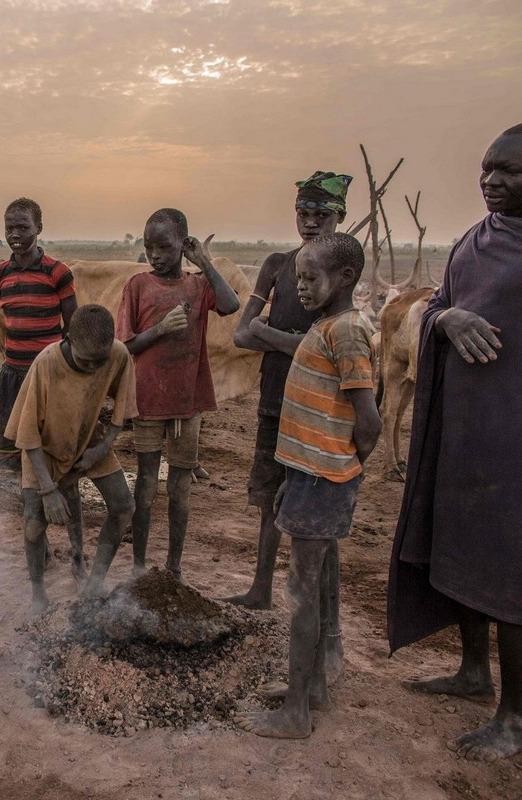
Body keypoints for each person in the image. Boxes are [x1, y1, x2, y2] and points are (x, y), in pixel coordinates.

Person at [388, 120, 522, 761]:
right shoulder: (474, 239)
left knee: (511, 568)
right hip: (464, 435)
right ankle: (473, 673)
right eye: (486, 168)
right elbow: (439, 306)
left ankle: (516, 715)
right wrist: (448, 319)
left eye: (511, 172)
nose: (492, 181)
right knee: (463, 550)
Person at [236, 232, 380, 739]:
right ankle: (313, 688)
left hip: (323, 480)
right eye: (297, 276)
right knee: (311, 588)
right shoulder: (327, 326)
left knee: (301, 595)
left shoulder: (345, 333)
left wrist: (339, 471)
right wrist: (300, 475)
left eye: (310, 277)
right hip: (308, 476)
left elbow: (369, 422)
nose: (300, 286)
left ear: (345, 279)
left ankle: (295, 713)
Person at [224, 171, 352, 683]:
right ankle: (259, 590)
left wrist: (272, 334)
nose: (311, 220)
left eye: (321, 213)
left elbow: (318, 347)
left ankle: (331, 631)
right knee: (268, 502)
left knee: (320, 525)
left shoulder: (340, 269)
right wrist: (289, 339)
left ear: (339, 216)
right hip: (276, 403)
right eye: (304, 211)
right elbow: (239, 335)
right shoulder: (279, 267)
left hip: (320, 412)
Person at [116, 208, 239, 581]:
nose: (155, 255)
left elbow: (231, 305)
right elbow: (125, 346)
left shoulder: (199, 285)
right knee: (147, 484)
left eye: (164, 247)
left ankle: (174, 567)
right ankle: (138, 567)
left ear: (183, 246)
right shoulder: (137, 286)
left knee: (181, 489)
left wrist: (204, 261)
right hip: (148, 402)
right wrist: (161, 329)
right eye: (149, 246)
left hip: (187, 404)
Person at [5, 304, 136, 615]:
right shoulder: (47, 363)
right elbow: (27, 435)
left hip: (89, 441)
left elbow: (123, 406)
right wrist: (49, 491)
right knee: (34, 524)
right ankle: (38, 591)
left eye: (99, 361)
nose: (93, 368)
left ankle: (95, 580)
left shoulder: (118, 354)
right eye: (84, 361)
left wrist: (103, 447)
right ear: (68, 340)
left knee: (123, 506)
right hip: (43, 450)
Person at [0, 197, 78, 471]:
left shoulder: (58, 272)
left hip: (47, 374)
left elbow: (72, 326)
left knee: (50, 446)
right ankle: (22, 506)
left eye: (23, 227)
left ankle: (47, 497)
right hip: (12, 373)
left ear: (38, 228)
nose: (15, 234)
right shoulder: (1, 273)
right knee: (9, 454)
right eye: (9, 228)